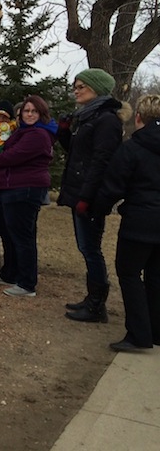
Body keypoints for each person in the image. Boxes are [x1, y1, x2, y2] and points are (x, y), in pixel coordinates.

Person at [91, 94, 160, 351]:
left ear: (139, 117)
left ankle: (139, 335)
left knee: (130, 273)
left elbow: (113, 185)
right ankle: (156, 330)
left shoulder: (132, 149)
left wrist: (99, 210)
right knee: (156, 276)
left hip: (140, 221)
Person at [58, 68, 126, 323]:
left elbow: (101, 161)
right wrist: (64, 130)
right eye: (75, 86)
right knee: (86, 247)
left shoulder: (107, 120)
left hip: (92, 196)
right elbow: (77, 154)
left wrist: (86, 198)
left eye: (81, 86)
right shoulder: (88, 117)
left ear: (97, 88)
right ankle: (92, 298)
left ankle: (97, 306)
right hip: (81, 192)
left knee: (91, 248)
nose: (76, 90)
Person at [0, 96, 57, 297]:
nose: (29, 114)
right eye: (26, 111)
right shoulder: (22, 132)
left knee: (22, 237)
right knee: (8, 234)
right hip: (8, 188)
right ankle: (10, 272)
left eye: (34, 111)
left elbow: (12, 156)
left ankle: (27, 283)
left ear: (41, 114)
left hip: (24, 189)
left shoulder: (38, 135)